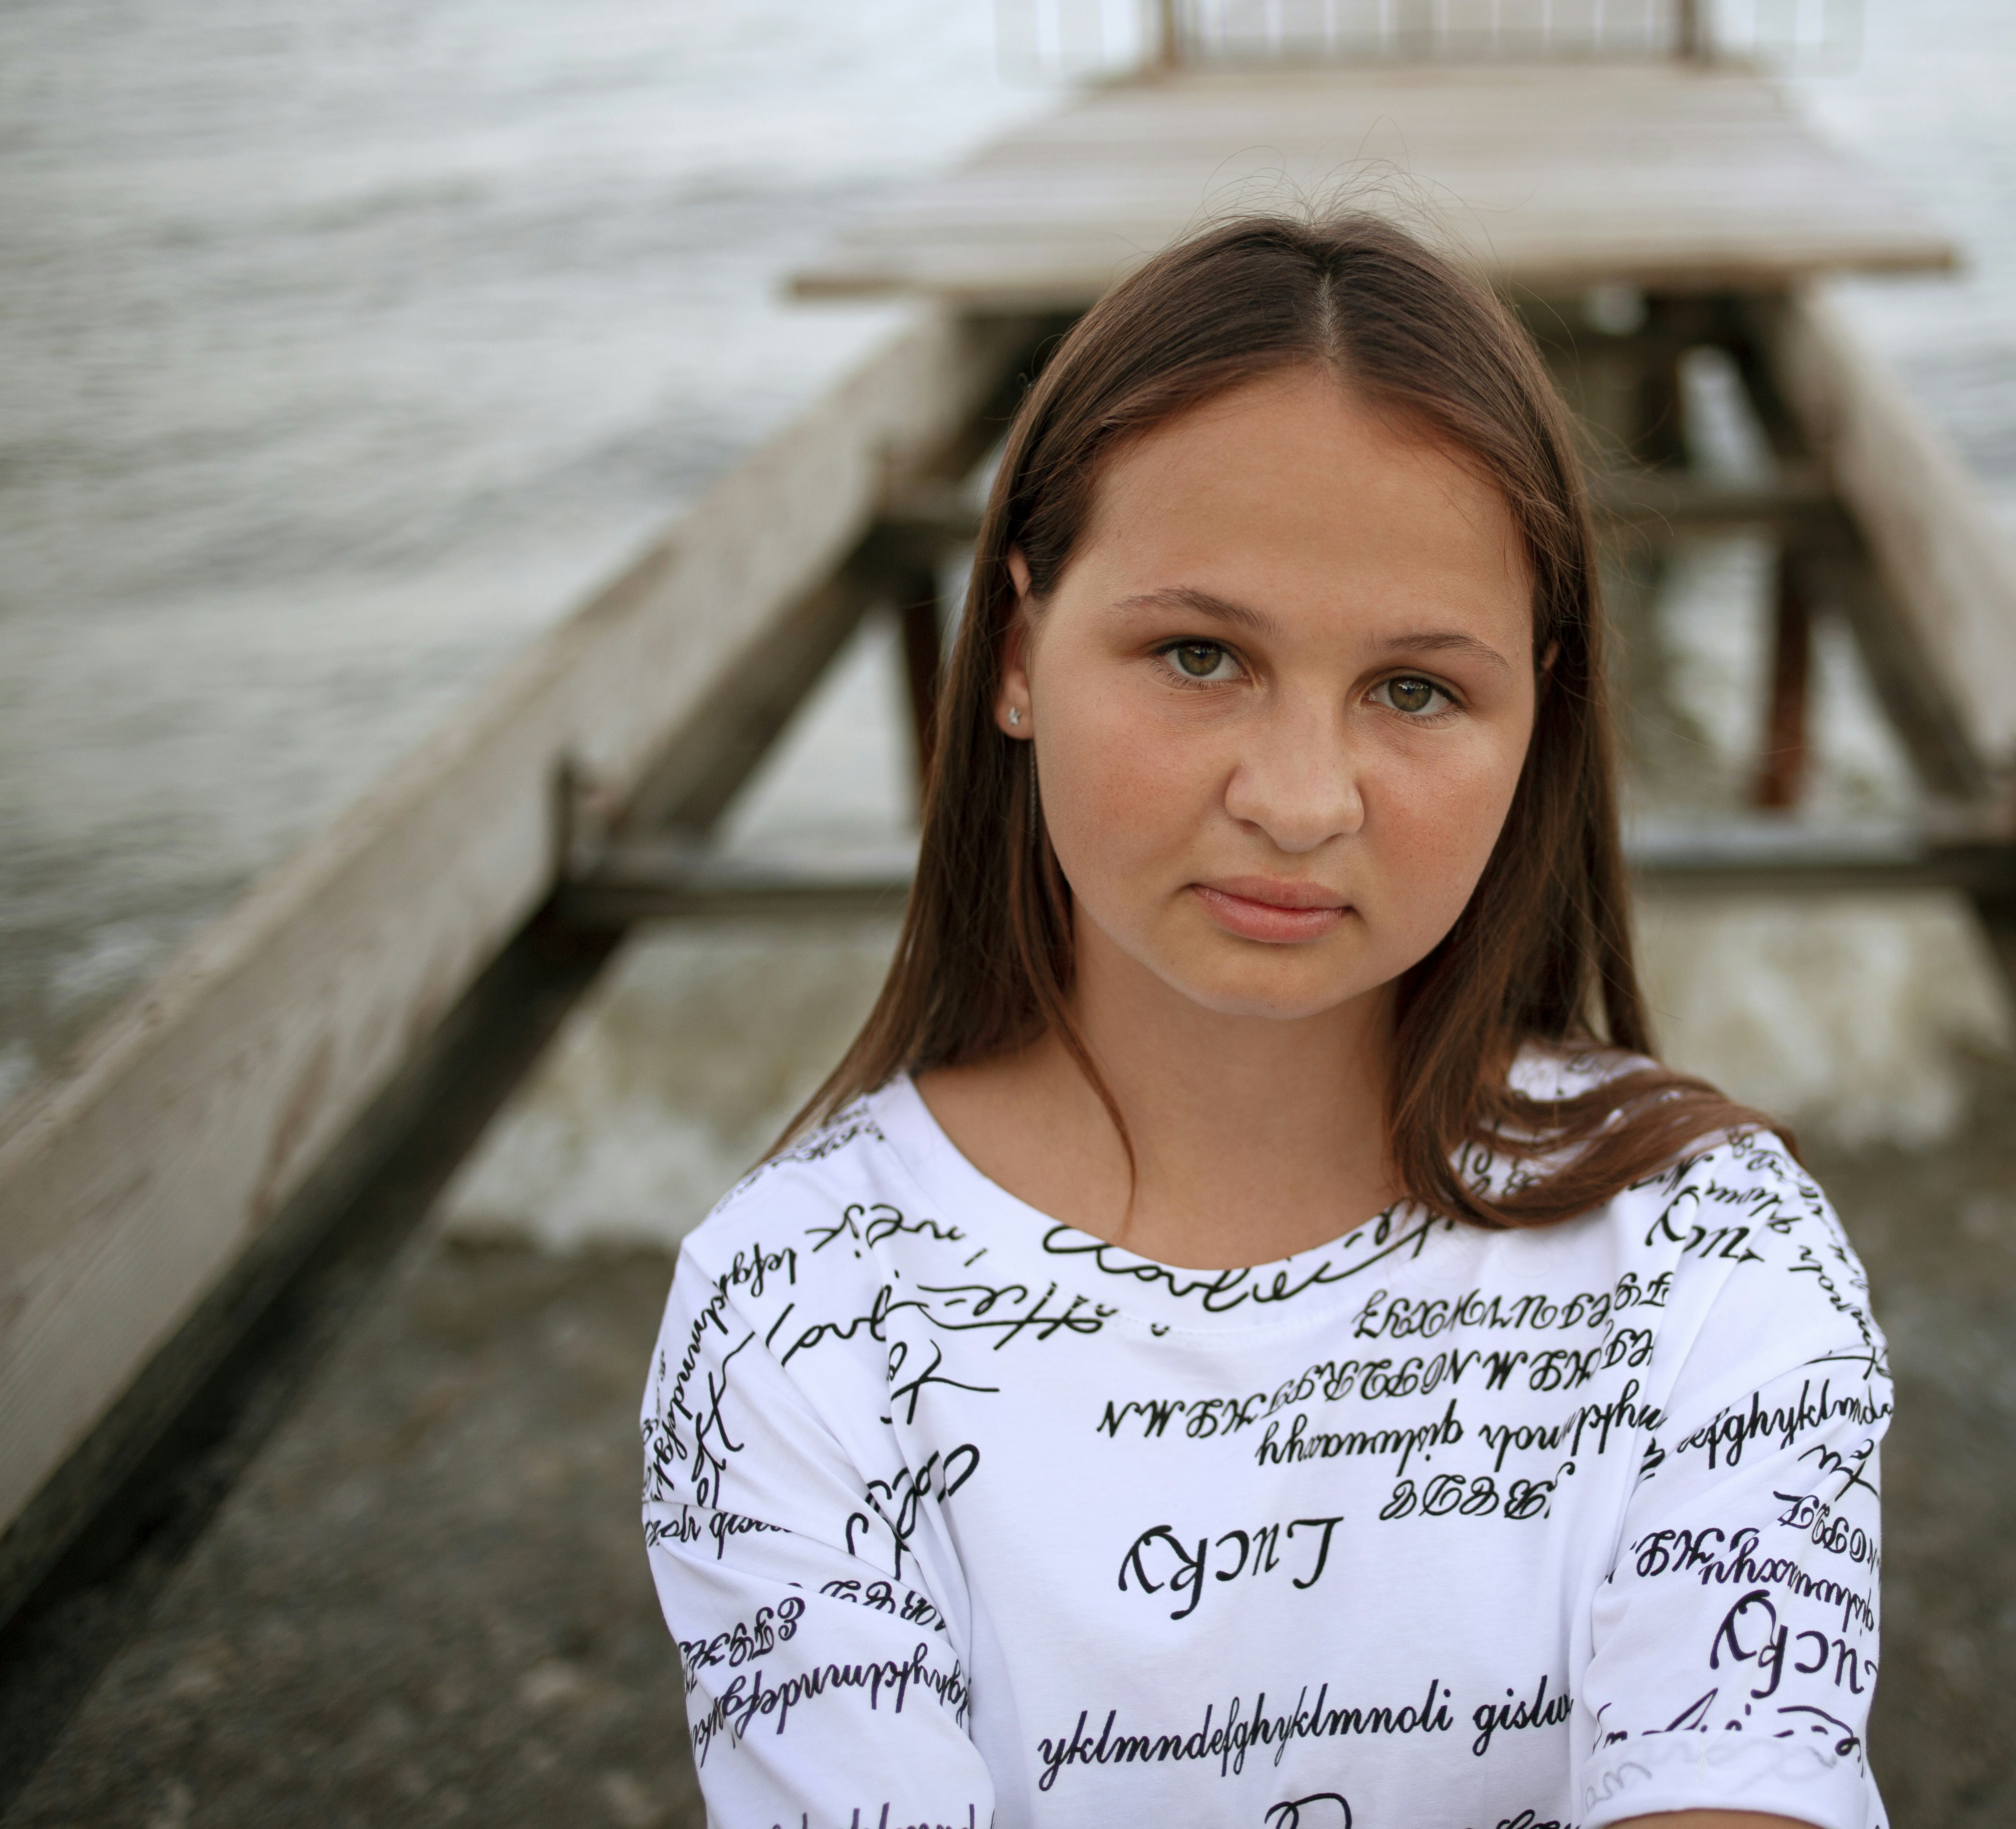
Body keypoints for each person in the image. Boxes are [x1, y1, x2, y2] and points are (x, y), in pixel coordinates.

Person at [640, 213, 1891, 1829]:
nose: (1300, 802)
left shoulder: (1713, 1248)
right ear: (1017, 652)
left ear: (1544, 713)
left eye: (1418, 690)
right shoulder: (792, 1318)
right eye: (1199, 654)